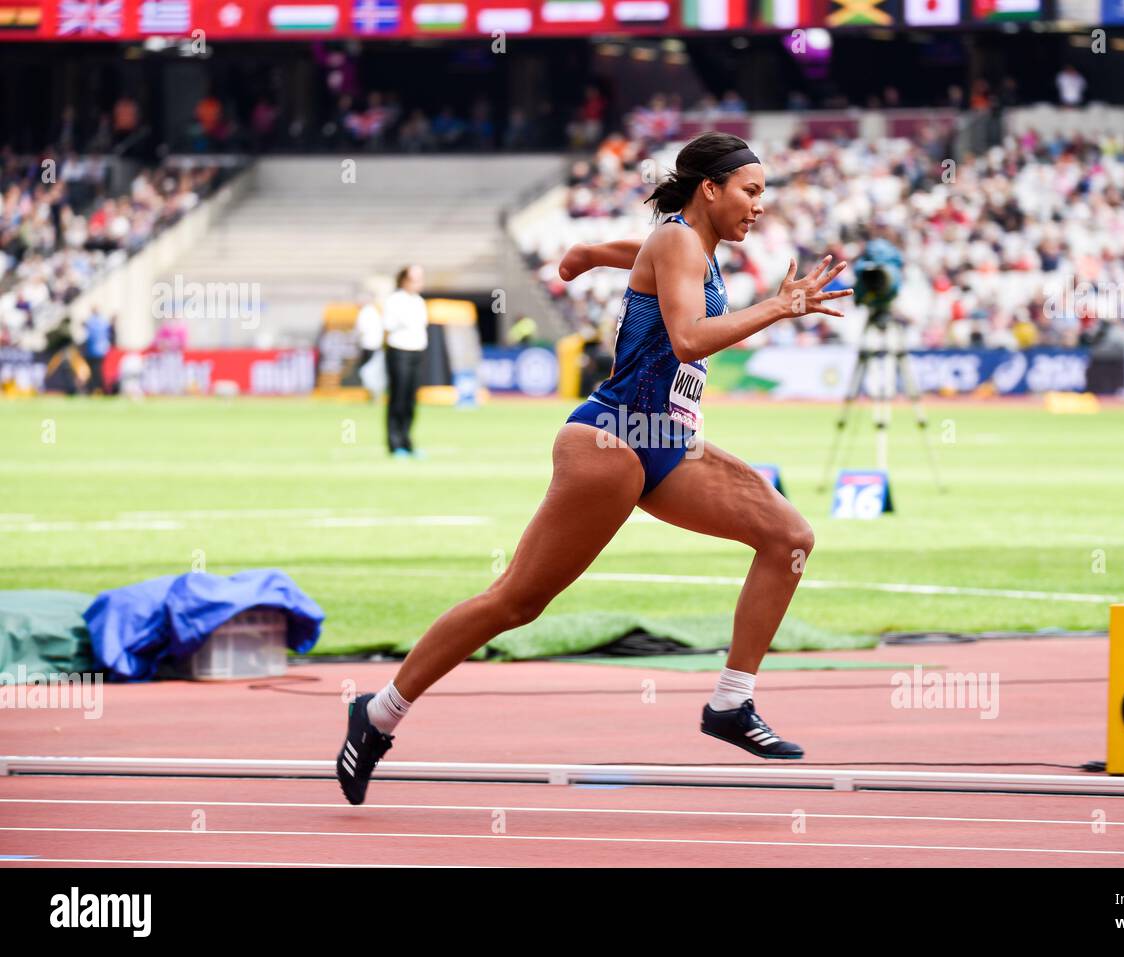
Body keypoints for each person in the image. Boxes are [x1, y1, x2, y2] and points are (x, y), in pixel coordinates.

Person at [335, 131, 851, 805]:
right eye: (752, 191)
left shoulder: (694, 249)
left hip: (668, 443)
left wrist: (584, 256)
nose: (761, 205)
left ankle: (732, 702)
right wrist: (778, 308)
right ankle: (378, 713)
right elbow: (689, 336)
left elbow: (636, 257)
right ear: (710, 188)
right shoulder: (677, 241)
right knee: (517, 601)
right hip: (612, 441)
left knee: (789, 536)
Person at [383, 264, 427, 457]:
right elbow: (388, 325)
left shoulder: (419, 301)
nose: (419, 283)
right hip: (399, 351)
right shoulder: (395, 300)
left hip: (417, 352)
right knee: (398, 398)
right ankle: (394, 442)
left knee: (411, 399)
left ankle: (407, 441)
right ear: (404, 280)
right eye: (415, 279)